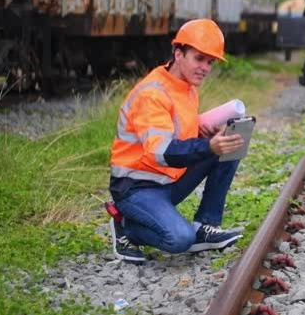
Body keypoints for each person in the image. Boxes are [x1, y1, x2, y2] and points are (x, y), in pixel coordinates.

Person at [104, 19, 247, 263]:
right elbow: (160, 151)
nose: (205, 67)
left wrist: (206, 135)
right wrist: (207, 146)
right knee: (180, 240)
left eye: (210, 62)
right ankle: (125, 225)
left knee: (231, 143)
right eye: (199, 58)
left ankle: (206, 226)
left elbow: (176, 134)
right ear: (178, 54)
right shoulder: (153, 93)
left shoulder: (187, 87)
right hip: (136, 188)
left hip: (168, 180)